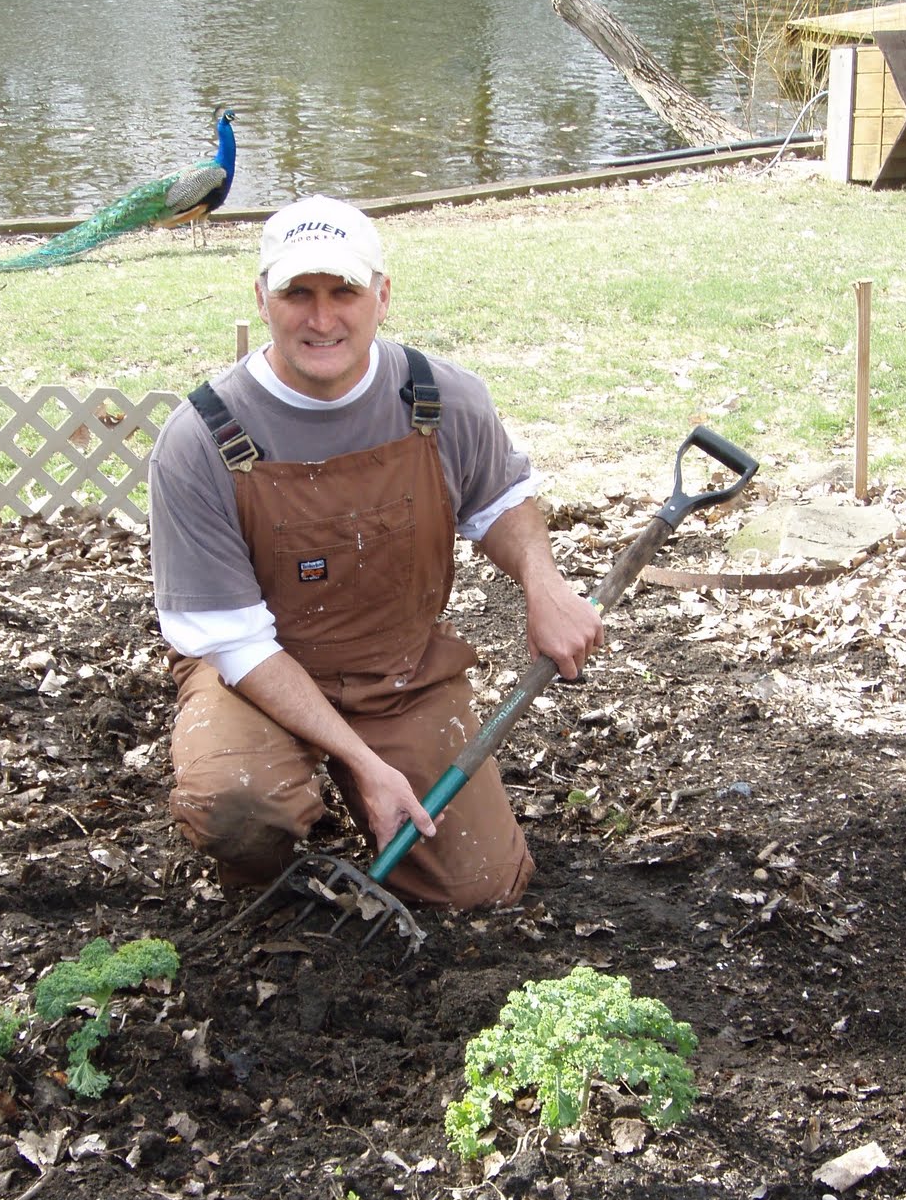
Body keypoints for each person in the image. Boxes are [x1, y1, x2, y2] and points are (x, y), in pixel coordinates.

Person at [148, 194, 602, 909]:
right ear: (262, 298)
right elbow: (233, 640)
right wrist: (363, 763)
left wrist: (544, 585)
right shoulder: (200, 439)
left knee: (480, 889)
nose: (321, 319)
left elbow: (500, 500)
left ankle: (377, 784)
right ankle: (277, 860)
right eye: (298, 292)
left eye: (344, 292)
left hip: (400, 673)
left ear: (382, 296)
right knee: (240, 810)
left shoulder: (439, 397)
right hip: (255, 678)